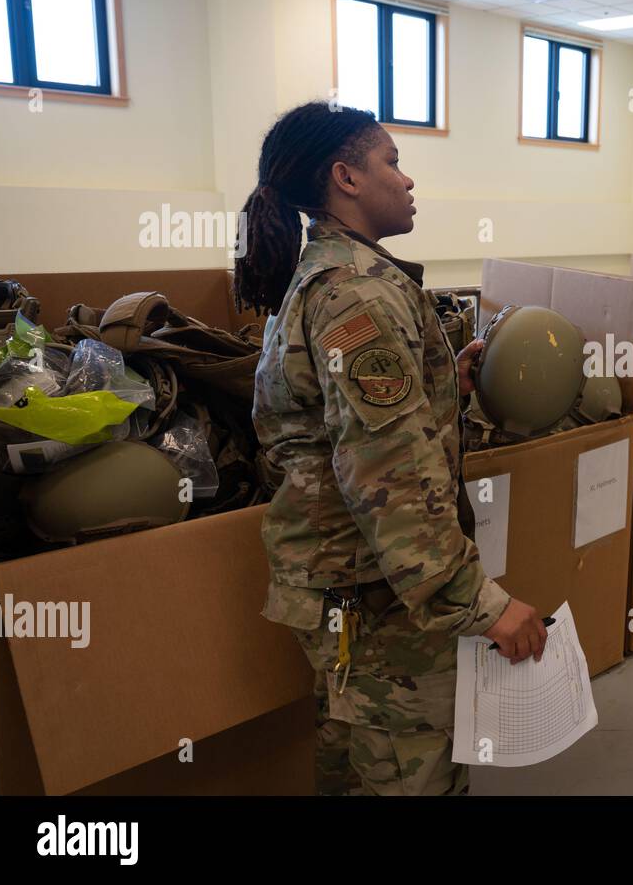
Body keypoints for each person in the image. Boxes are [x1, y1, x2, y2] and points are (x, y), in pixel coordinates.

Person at [235, 102, 546, 795]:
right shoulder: (359, 296)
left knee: (353, 759)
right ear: (346, 178)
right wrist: (481, 603)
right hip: (383, 595)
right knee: (414, 772)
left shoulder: (324, 277)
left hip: (342, 583)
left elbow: (329, 425)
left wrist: (439, 388)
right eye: (393, 163)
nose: (407, 182)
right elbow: (388, 472)